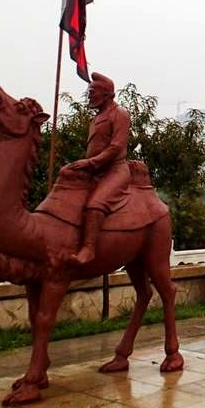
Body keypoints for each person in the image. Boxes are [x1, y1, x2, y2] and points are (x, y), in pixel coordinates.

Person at [64, 73, 131, 266]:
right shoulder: (96, 118)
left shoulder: (119, 114)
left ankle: (89, 249)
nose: (89, 96)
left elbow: (116, 146)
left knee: (95, 204)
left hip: (114, 171)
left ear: (107, 94)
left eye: (93, 92)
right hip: (94, 172)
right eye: (89, 92)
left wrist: (90, 163)